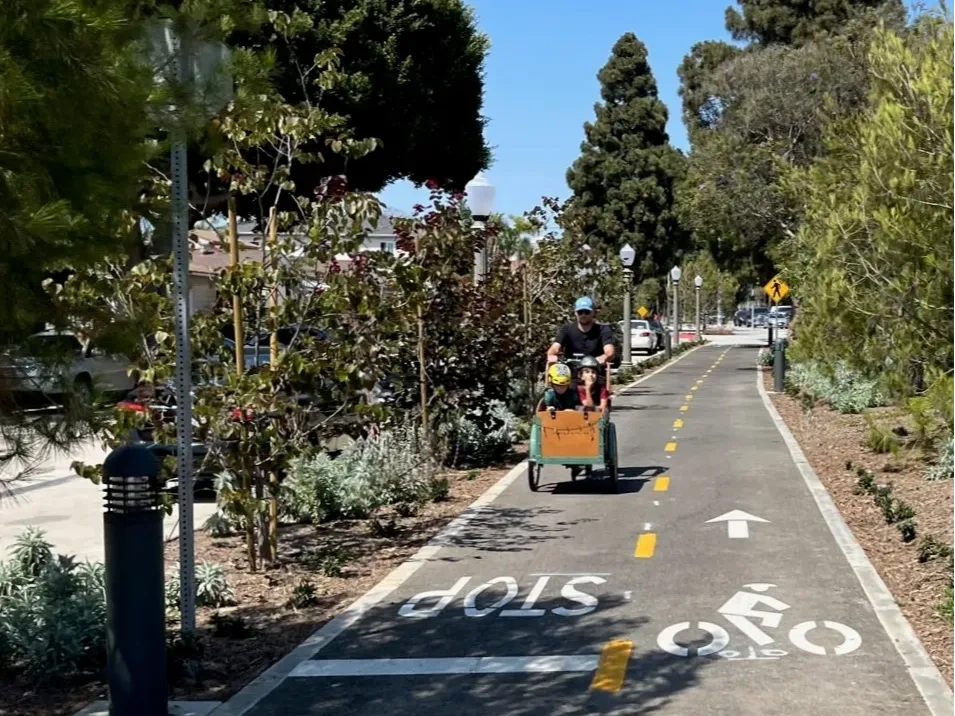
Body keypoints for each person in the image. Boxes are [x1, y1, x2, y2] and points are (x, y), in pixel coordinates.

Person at [547, 296, 615, 367]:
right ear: (575, 313)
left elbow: (609, 352)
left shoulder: (603, 330)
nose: (583, 315)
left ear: (593, 312)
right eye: (580, 312)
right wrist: (551, 354)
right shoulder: (566, 329)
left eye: (587, 312)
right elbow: (555, 347)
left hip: (594, 370)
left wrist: (603, 357)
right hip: (571, 371)